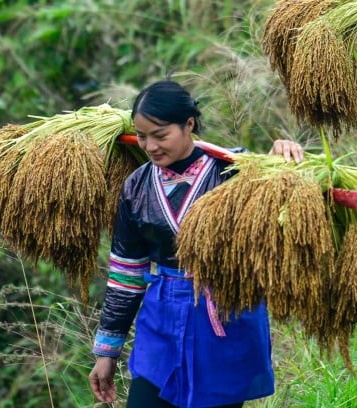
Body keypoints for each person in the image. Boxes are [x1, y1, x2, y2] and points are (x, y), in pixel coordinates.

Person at [89, 79, 305, 408]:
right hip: (161, 317)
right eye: (143, 136)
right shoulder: (138, 185)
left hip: (224, 315)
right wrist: (107, 351)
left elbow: (282, 218)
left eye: (161, 135)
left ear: (189, 125)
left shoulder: (234, 170)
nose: (150, 146)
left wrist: (280, 161)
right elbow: (126, 274)